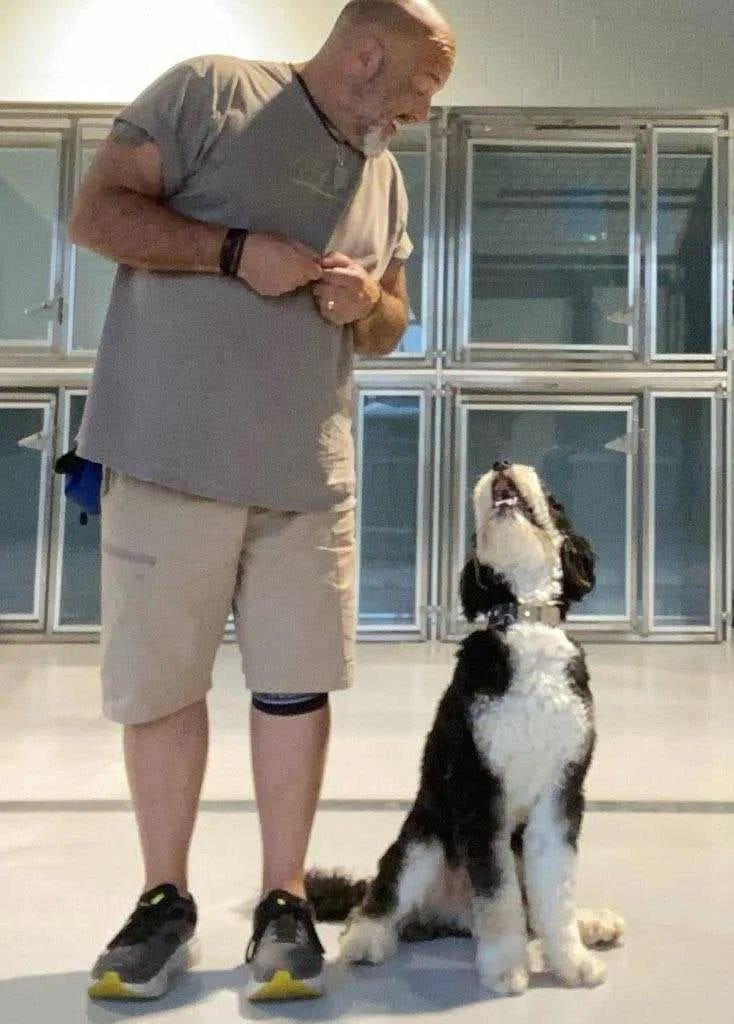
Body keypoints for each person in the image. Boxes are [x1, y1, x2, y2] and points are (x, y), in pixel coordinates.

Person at [68, 0, 455, 1004]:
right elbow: (97, 212)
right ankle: (164, 899)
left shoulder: (384, 169)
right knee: (161, 684)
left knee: (294, 684)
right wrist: (236, 251)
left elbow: (392, 322)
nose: (423, 107)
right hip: (169, 456)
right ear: (366, 53)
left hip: (303, 477)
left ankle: (283, 901)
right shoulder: (210, 92)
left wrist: (367, 305)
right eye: (421, 83)